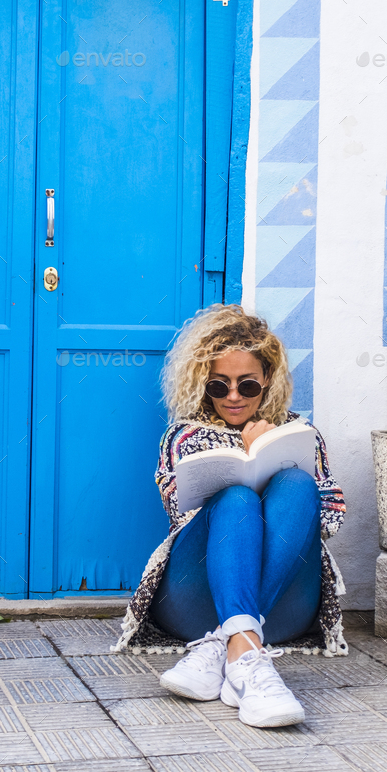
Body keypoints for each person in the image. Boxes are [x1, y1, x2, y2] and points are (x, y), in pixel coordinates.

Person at [114, 304, 347, 728]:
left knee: (297, 487)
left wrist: (275, 458)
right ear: (204, 385)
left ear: (268, 381)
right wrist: (242, 455)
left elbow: (329, 519)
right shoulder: (184, 435)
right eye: (219, 386)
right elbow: (179, 511)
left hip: (284, 606)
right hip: (194, 598)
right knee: (235, 499)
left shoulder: (300, 434)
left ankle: (231, 645)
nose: (234, 397)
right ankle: (245, 658)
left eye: (248, 385)